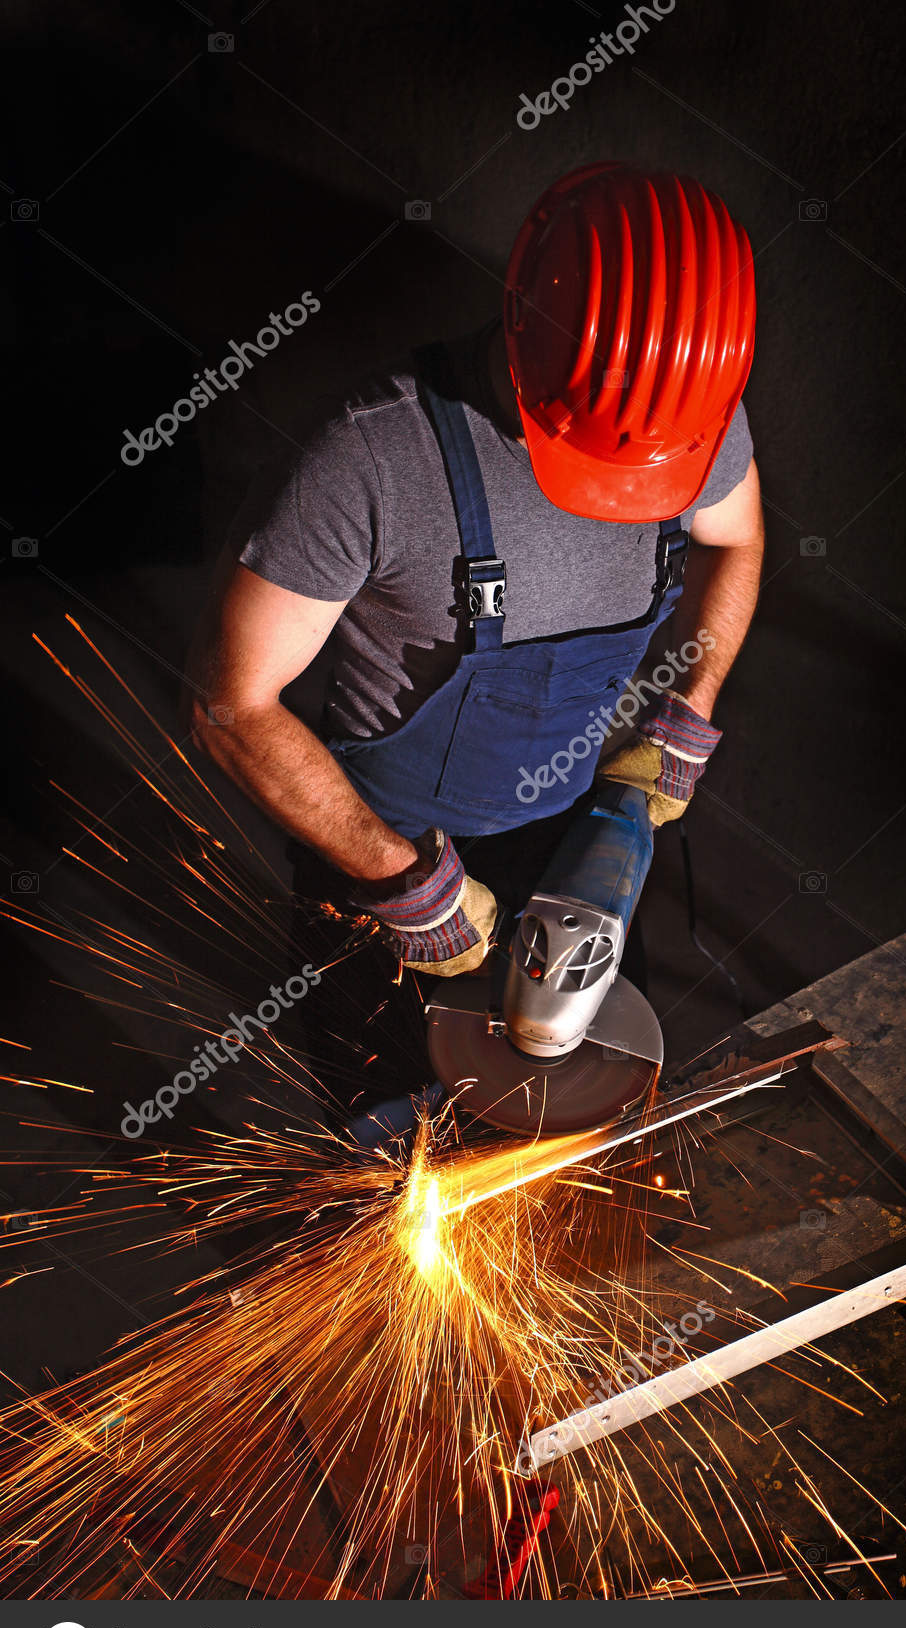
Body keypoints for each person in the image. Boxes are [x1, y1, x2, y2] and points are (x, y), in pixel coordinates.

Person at [189, 162, 763, 1106]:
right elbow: (229, 704)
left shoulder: (690, 422)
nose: (623, 481)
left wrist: (689, 706)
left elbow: (735, 537)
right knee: (395, 1140)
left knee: (587, 1112)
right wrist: (394, 875)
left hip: (577, 823)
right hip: (386, 847)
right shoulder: (368, 455)